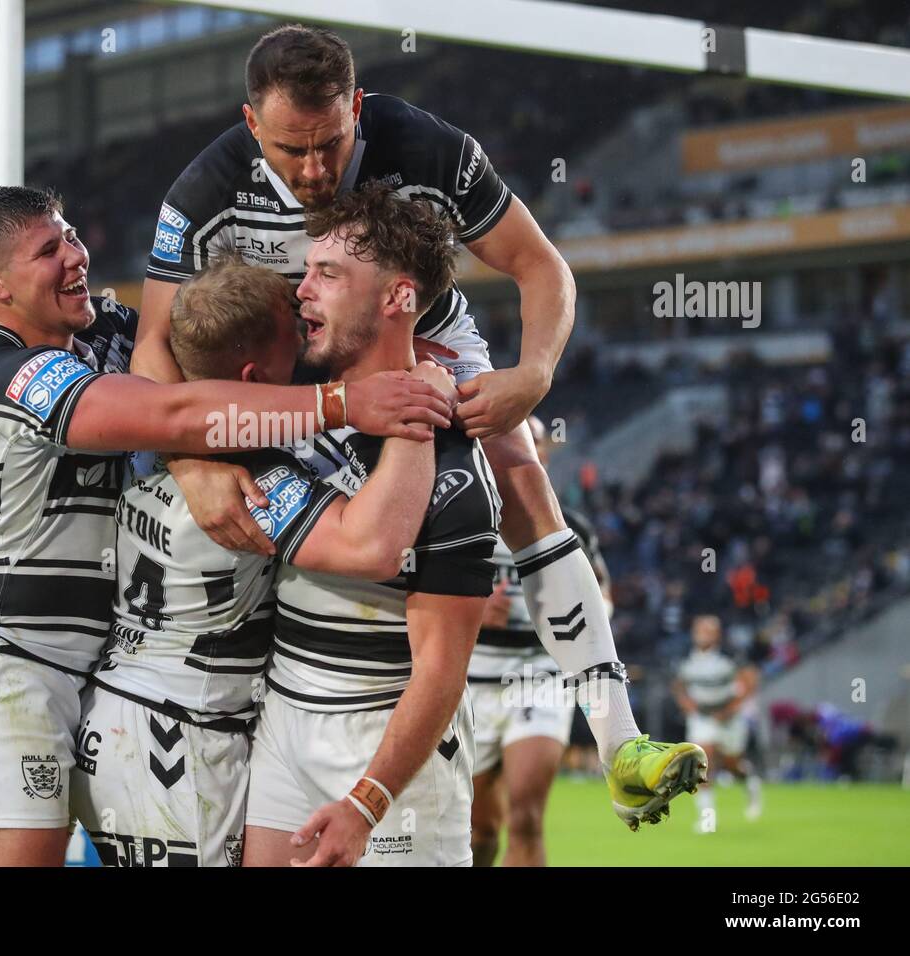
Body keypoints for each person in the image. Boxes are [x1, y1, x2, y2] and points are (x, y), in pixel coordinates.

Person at [133, 24, 704, 828]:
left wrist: (532, 375)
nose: (315, 170)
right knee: (214, 509)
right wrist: (191, 462)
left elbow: (542, 265)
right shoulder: (208, 186)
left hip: (420, 332)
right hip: (294, 347)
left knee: (520, 473)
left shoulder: (425, 148)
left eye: (330, 144)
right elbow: (151, 343)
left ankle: (620, 745)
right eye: (292, 150)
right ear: (251, 122)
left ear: (356, 107)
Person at [0, 185, 452, 867]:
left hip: (86, 677)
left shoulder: (104, 330)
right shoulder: (9, 375)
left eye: (70, 234)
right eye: (48, 250)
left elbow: (208, 339)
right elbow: (171, 414)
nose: (75, 256)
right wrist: (343, 403)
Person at [72, 257, 453, 866]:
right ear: (252, 377)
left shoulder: (153, 433)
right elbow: (370, 545)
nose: (306, 345)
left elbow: (185, 393)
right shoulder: (250, 471)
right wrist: (421, 406)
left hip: (123, 705)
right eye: (293, 340)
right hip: (180, 738)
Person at [241, 185, 498, 866]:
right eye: (306, 271)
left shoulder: (458, 475)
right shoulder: (288, 403)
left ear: (397, 299)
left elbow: (441, 670)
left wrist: (367, 801)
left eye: (327, 274)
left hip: (388, 760)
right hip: (283, 721)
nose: (302, 291)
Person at [469, 415, 613, 866]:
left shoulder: (569, 528)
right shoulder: (458, 519)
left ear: (540, 456)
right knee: (478, 832)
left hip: (539, 678)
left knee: (527, 818)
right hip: (468, 684)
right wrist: (470, 611)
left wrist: (554, 618)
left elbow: (602, 602)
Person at [674, 615, 764, 828]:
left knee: (733, 764)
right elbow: (679, 684)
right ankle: (707, 818)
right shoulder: (684, 656)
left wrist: (731, 709)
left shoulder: (730, 654)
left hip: (728, 716)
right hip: (703, 716)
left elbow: (750, 681)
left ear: (717, 634)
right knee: (701, 761)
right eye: (698, 630)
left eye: (706, 631)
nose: (701, 635)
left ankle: (750, 784)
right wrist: (686, 703)